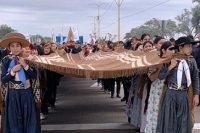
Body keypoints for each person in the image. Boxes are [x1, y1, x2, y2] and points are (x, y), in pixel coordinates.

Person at [156, 37, 199, 133]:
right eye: (188, 46)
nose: (191, 49)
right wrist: (170, 67)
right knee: (169, 121)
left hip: (184, 95)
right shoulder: (170, 60)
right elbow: (160, 76)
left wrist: (196, 95)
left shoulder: (191, 61)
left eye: (191, 46)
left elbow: (195, 78)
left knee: (183, 121)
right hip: (170, 94)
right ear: (180, 47)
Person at [0, 32, 40, 133]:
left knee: (29, 119)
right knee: (14, 121)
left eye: (17, 45)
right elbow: (3, 79)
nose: (15, 48)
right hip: (13, 94)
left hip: (27, 93)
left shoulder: (28, 59)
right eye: (12, 46)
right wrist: (12, 71)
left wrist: (25, 66)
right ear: (9, 47)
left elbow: (35, 76)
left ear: (21, 46)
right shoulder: (5, 60)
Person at [145, 41, 174, 133]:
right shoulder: (155, 60)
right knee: (156, 114)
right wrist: (159, 68)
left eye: (174, 49)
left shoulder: (174, 61)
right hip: (157, 92)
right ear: (163, 50)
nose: (173, 51)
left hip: (169, 92)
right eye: (170, 49)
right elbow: (152, 78)